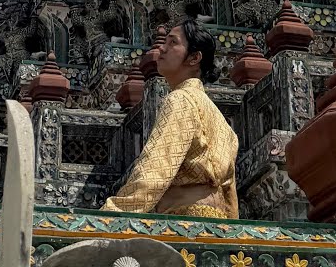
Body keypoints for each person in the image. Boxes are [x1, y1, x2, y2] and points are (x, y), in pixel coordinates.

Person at [102, 19, 239, 218]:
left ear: (194, 57)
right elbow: (230, 197)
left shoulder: (180, 100)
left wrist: (111, 214)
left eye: (173, 42)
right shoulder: (222, 122)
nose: (162, 48)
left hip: (185, 218)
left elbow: (155, 170)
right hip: (217, 222)